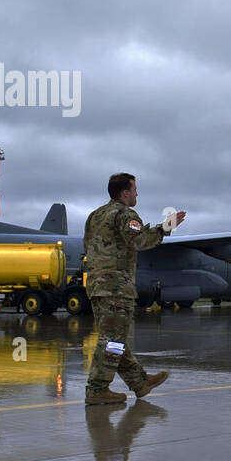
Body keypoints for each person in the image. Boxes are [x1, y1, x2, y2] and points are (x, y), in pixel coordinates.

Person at [83, 172, 185, 403]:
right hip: (116, 287)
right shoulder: (124, 214)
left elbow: (88, 246)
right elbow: (139, 241)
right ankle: (97, 389)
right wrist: (166, 227)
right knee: (113, 341)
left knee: (114, 337)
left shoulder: (94, 216)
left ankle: (139, 381)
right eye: (135, 189)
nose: (137, 193)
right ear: (125, 192)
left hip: (97, 286)